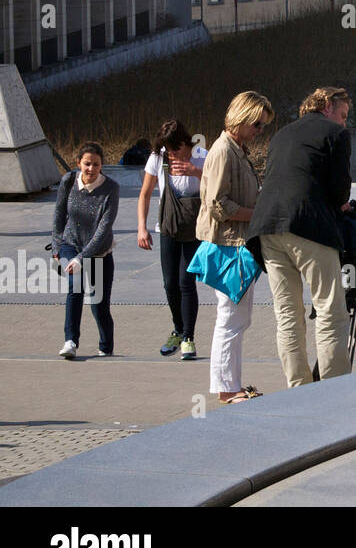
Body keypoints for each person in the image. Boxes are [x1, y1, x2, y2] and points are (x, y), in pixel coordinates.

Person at [247, 87, 354, 388]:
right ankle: (333, 391)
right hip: (310, 228)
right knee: (330, 313)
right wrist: (341, 204)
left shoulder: (282, 134)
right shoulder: (335, 134)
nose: (344, 123)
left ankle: (299, 391)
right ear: (329, 107)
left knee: (287, 316)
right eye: (343, 115)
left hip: (267, 228)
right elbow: (339, 190)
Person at [199, 92, 273, 404]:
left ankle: (230, 384)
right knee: (231, 318)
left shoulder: (236, 149)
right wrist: (257, 214)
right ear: (241, 118)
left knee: (237, 319)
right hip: (227, 245)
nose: (260, 130)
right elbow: (218, 204)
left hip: (235, 243)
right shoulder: (223, 151)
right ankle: (227, 388)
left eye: (263, 125)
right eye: (257, 123)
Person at [136, 120, 208, 360]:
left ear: (186, 143)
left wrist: (195, 172)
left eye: (175, 149)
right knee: (169, 283)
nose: (172, 154)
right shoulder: (158, 158)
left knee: (186, 282)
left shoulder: (202, 156)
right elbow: (145, 194)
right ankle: (177, 328)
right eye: (167, 149)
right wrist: (141, 228)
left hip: (194, 229)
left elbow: (218, 187)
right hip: (168, 226)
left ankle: (189, 337)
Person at [52, 143, 120, 360]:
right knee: (75, 287)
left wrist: (83, 257)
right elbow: (59, 214)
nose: (91, 169)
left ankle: (106, 347)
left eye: (96, 164)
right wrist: (56, 246)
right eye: (87, 164)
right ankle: (70, 341)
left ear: (102, 165)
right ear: (78, 163)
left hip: (99, 251)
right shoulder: (68, 181)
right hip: (70, 244)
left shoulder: (111, 188)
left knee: (99, 305)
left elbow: (103, 228)